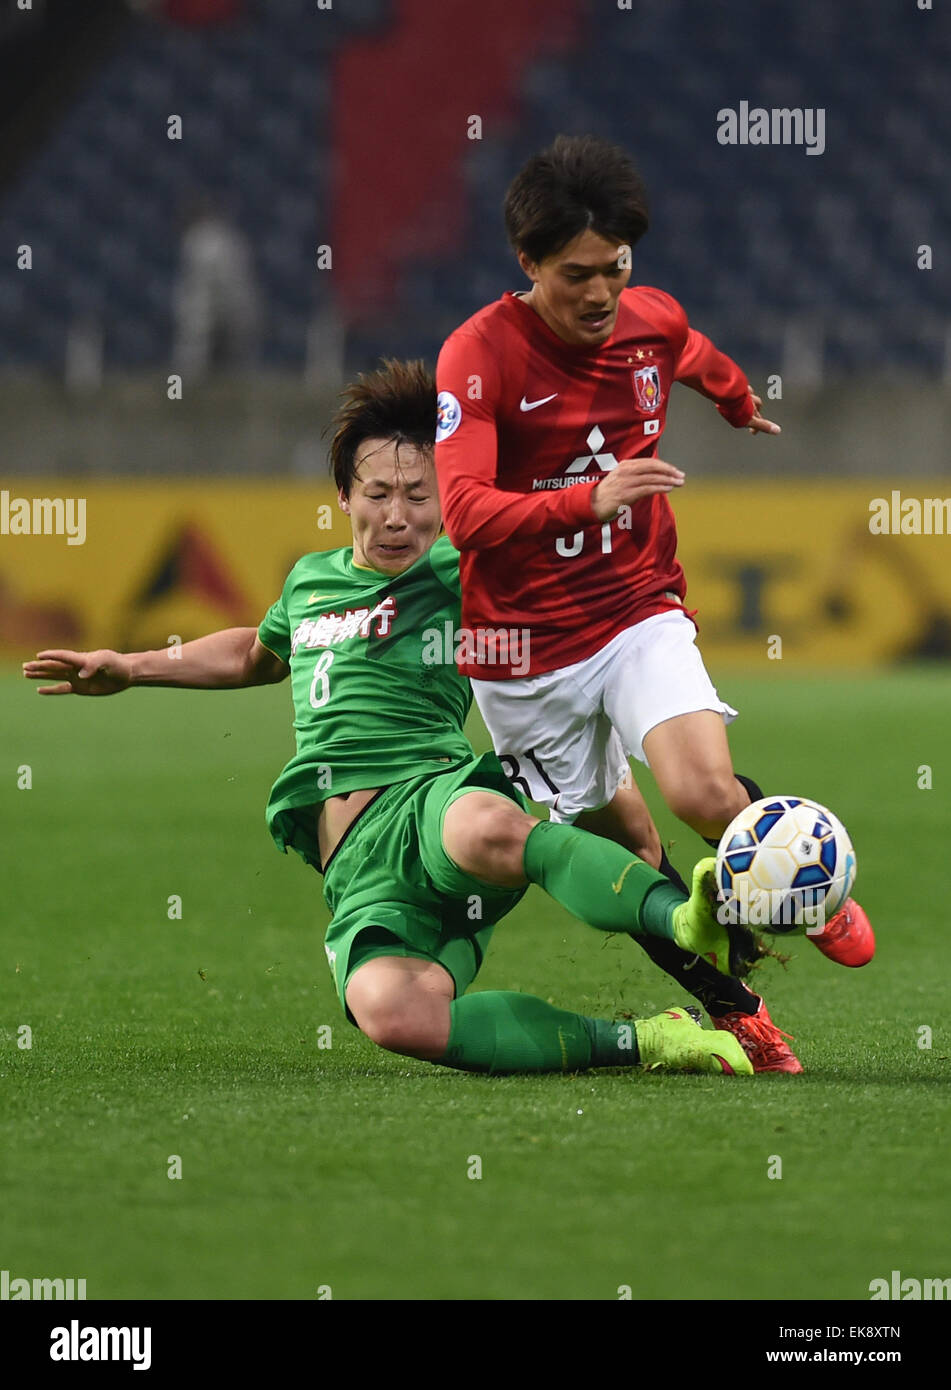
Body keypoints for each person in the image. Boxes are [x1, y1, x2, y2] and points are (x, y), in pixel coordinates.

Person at [24, 359, 757, 1079]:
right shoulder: (309, 581)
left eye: (418, 494)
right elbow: (256, 651)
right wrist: (130, 667)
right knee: (393, 1017)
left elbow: (553, 551)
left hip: (429, 797)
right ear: (343, 494)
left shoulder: (460, 569)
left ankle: (680, 920)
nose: (398, 515)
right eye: (378, 492)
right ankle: (648, 1041)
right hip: (359, 868)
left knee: (490, 826)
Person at [434, 135, 874, 1069]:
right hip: (522, 652)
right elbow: (464, 511)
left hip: (635, 605)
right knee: (630, 854)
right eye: (575, 274)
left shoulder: (647, 319)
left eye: (615, 268)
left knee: (700, 790)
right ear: (528, 263)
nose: (599, 293)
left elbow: (691, 351)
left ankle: (819, 890)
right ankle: (734, 1004)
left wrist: (736, 400)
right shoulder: (478, 356)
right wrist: (582, 499)